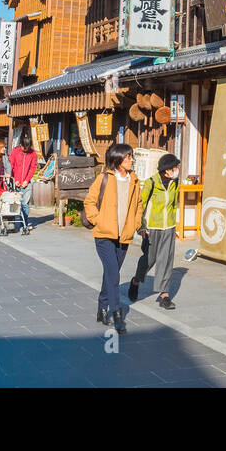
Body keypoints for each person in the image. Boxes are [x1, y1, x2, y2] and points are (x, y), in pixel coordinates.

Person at [83, 143, 142, 334]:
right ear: (118, 160)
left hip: (123, 234)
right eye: (128, 157)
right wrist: (97, 219)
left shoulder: (134, 180)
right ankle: (116, 313)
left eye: (131, 157)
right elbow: (90, 201)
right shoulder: (104, 178)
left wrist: (136, 223)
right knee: (113, 274)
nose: (131, 160)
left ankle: (101, 306)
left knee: (111, 273)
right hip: (104, 235)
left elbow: (138, 204)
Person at [129, 153, 181, 310]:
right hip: (151, 228)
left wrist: (174, 225)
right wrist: (141, 227)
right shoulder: (151, 183)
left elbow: (173, 205)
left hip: (168, 228)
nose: (177, 170)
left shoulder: (175, 183)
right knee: (149, 259)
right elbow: (141, 205)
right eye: (175, 167)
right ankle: (136, 281)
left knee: (166, 260)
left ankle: (164, 295)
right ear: (167, 170)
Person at [8, 133, 38, 231]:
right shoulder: (15, 152)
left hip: (26, 183)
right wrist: (14, 180)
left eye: (27, 148)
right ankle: (12, 222)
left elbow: (33, 168)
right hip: (15, 182)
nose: (25, 150)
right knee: (14, 203)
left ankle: (24, 223)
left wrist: (27, 180)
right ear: (20, 145)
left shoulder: (32, 153)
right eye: (24, 148)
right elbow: (10, 166)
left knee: (25, 204)